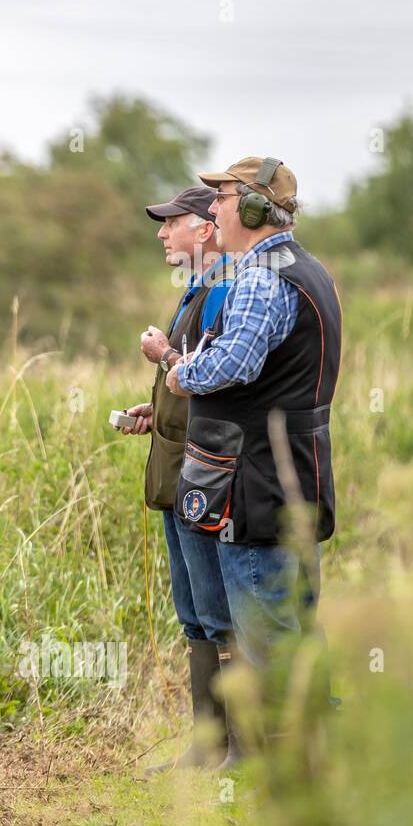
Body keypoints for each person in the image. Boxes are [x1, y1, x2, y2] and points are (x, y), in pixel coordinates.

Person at [166, 157, 342, 763]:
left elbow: (233, 365)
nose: (211, 209)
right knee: (294, 622)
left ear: (252, 207)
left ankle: (281, 774)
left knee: (264, 630)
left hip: (258, 478)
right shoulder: (306, 268)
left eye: (221, 198)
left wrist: (179, 369)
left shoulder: (264, 275)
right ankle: (319, 759)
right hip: (295, 469)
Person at [120, 186, 235, 771]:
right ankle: (208, 746)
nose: (163, 233)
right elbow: (189, 390)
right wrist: (154, 411)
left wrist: (164, 355)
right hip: (176, 471)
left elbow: (212, 378)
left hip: (205, 478)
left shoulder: (223, 293)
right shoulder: (196, 290)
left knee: (217, 614)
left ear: (206, 230)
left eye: (174, 223)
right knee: (193, 612)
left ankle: (234, 751)